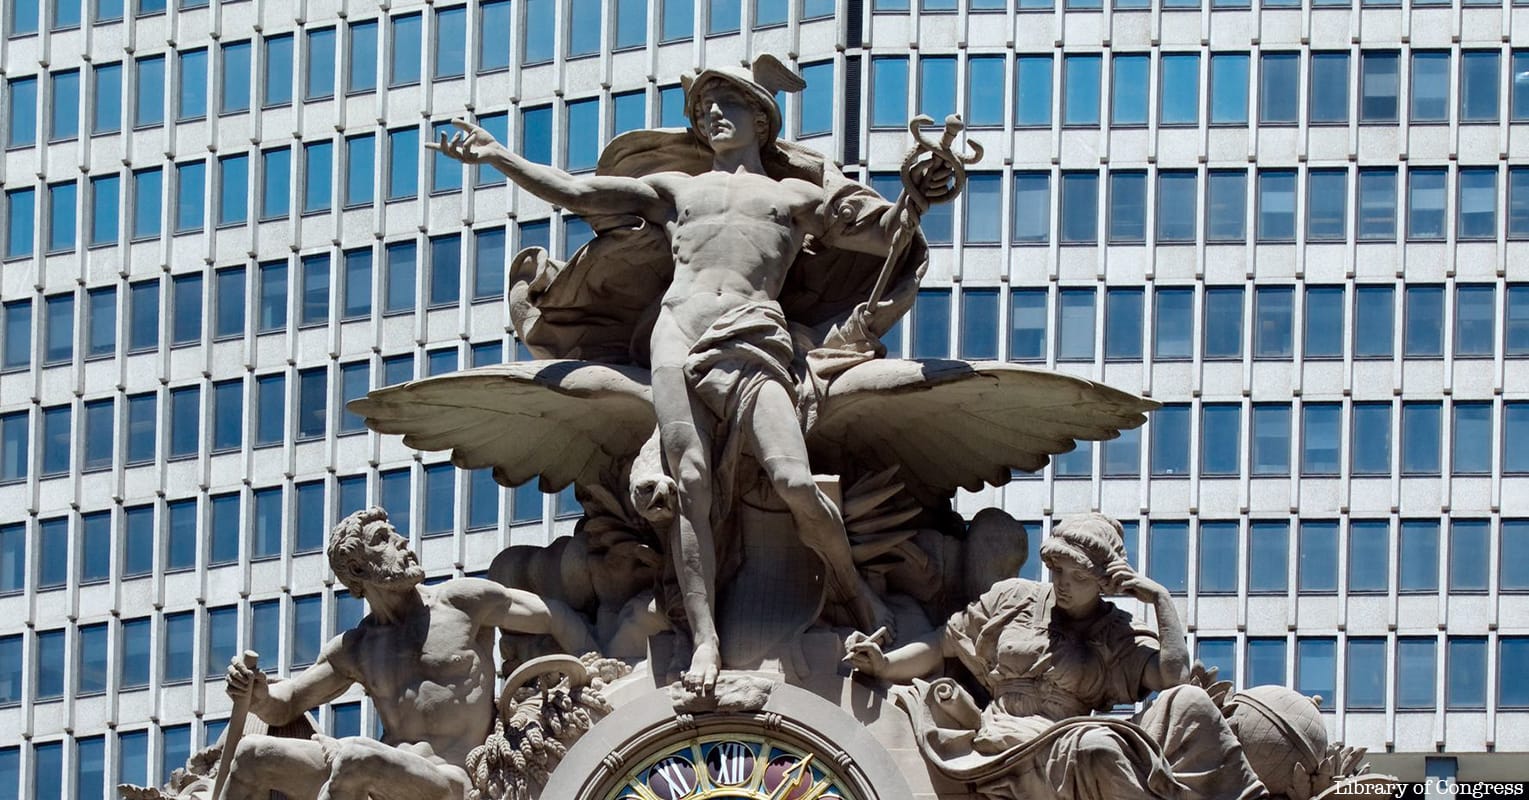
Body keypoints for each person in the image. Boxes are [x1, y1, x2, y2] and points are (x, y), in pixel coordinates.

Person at [430, 57, 950, 692]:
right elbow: (578, 192)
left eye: (726, 105)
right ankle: (704, 640)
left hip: (755, 336)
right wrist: (497, 156)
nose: (711, 116)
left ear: (761, 119)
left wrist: (921, 190)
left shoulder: (796, 197)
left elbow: (888, 232)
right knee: (689, 484)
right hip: (677, 333)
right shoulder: (678, 189)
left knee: (792, 478)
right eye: (704, 109)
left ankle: (856, 595)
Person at [844, 513, 1266, 800]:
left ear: (1105, 581)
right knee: (1101, 748)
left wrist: (1160, 600)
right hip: (1003, 736)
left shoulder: (1114, 632)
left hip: (1065, 736)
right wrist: (884, 663)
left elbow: (1173, 676)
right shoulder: (1013, 598)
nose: (1063, 584)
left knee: (1183, 705)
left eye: (1078, 576)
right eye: (1057, 571)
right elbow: (940, 644)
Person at [218, 507, 598, 800]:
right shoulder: (357, 647)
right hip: (379, 773)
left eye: (397, 534)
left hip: (450, 780)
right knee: (252, 753)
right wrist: (256, 691)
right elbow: (285, 705)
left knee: (354, 757)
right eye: (383, 538)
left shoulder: (461, 603)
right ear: (357, 569)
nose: (402, 542)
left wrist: (600, 667)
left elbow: (552, 616)